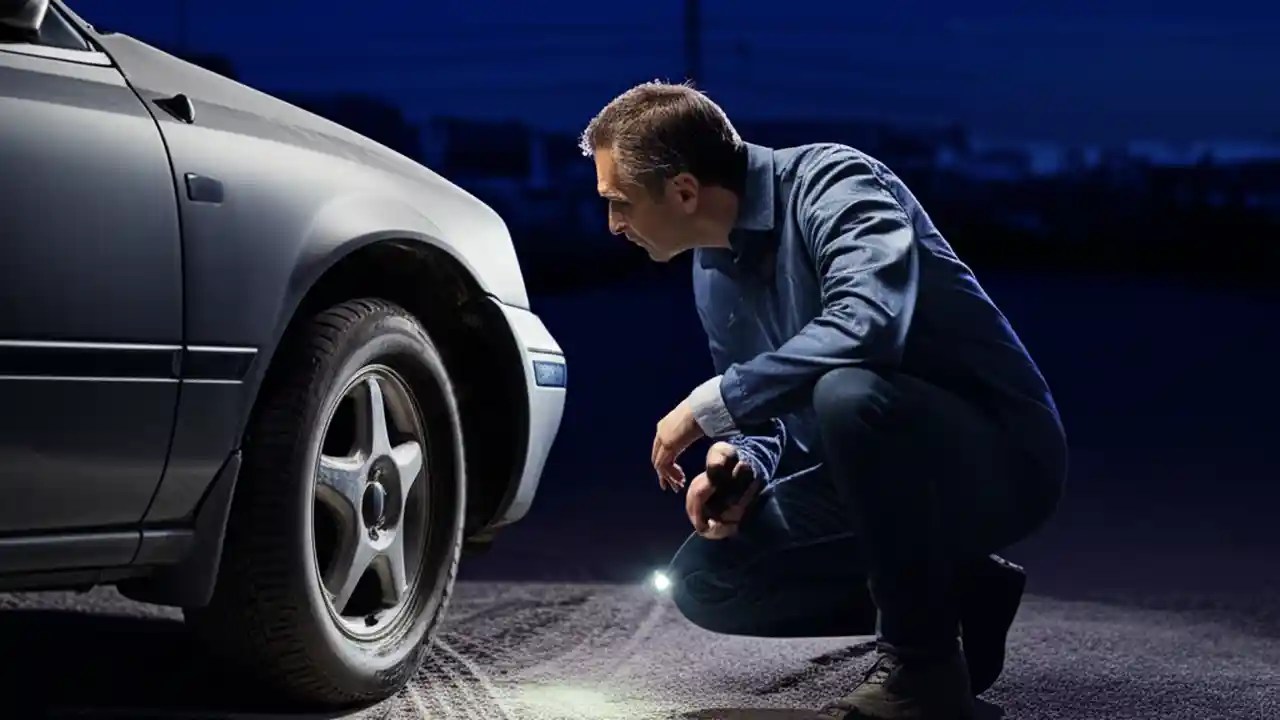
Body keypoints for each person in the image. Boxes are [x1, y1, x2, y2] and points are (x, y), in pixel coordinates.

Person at [579, 80, 1068, 720]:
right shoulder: (710, 266)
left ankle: (923, 673)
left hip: (1001, 461)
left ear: (684, 191)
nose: (613, 225)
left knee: (849, 391)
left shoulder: (835, 182)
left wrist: (709, 404)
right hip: (879, 479)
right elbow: (768, 407)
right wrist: (744, 462)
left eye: (618, 203)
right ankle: (963, 592)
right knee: (709, 579)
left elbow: (870, 323)